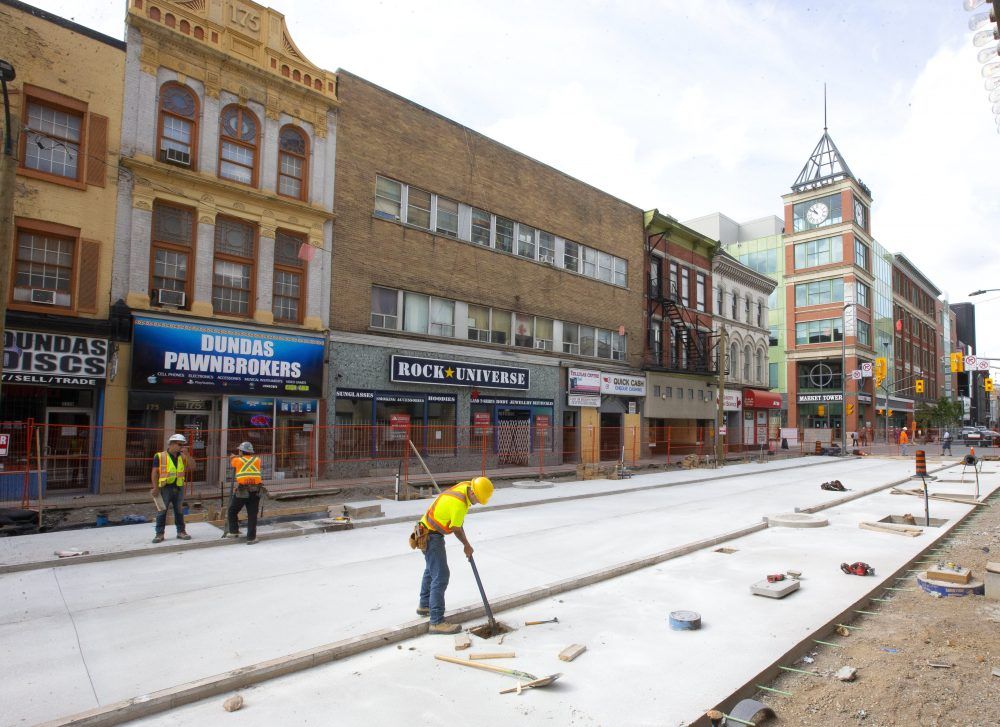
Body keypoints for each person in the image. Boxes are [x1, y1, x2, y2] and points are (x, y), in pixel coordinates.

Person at [415, 476, 493, 634]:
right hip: (431, 536)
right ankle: (436, 622)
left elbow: (458, 521)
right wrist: (467, 545)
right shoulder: (459, 504)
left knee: (432, 570)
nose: (476, 503)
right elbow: (457, 528)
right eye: (477, 499)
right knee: (441, 575)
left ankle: (425, 605)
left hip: (424, 529)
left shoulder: (465, 486)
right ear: (473, 492)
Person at [151, 434, 195, 543]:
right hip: (165, 488)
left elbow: (193, 467)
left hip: (178, 488)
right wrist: (155, 487)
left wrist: (187, 455)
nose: (182, 447)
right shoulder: (160, 456)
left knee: (179, 511)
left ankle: (181, 531)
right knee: (162, 511)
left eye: (183, 445)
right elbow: (155, 472)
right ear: (172, 444)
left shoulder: (182, 456)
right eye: (180, 445)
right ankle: (159, 534)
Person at [224, 441, 264, 544]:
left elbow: (232, 460)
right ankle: (251, 538)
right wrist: (240, 454)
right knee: (252, 515)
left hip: (242, 490)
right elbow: (247, 459)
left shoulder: (237, 460)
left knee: (232, 510)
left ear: (241, 451)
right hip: (256, 490)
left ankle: (233, 531)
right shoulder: (257, 460)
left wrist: (234, 456)